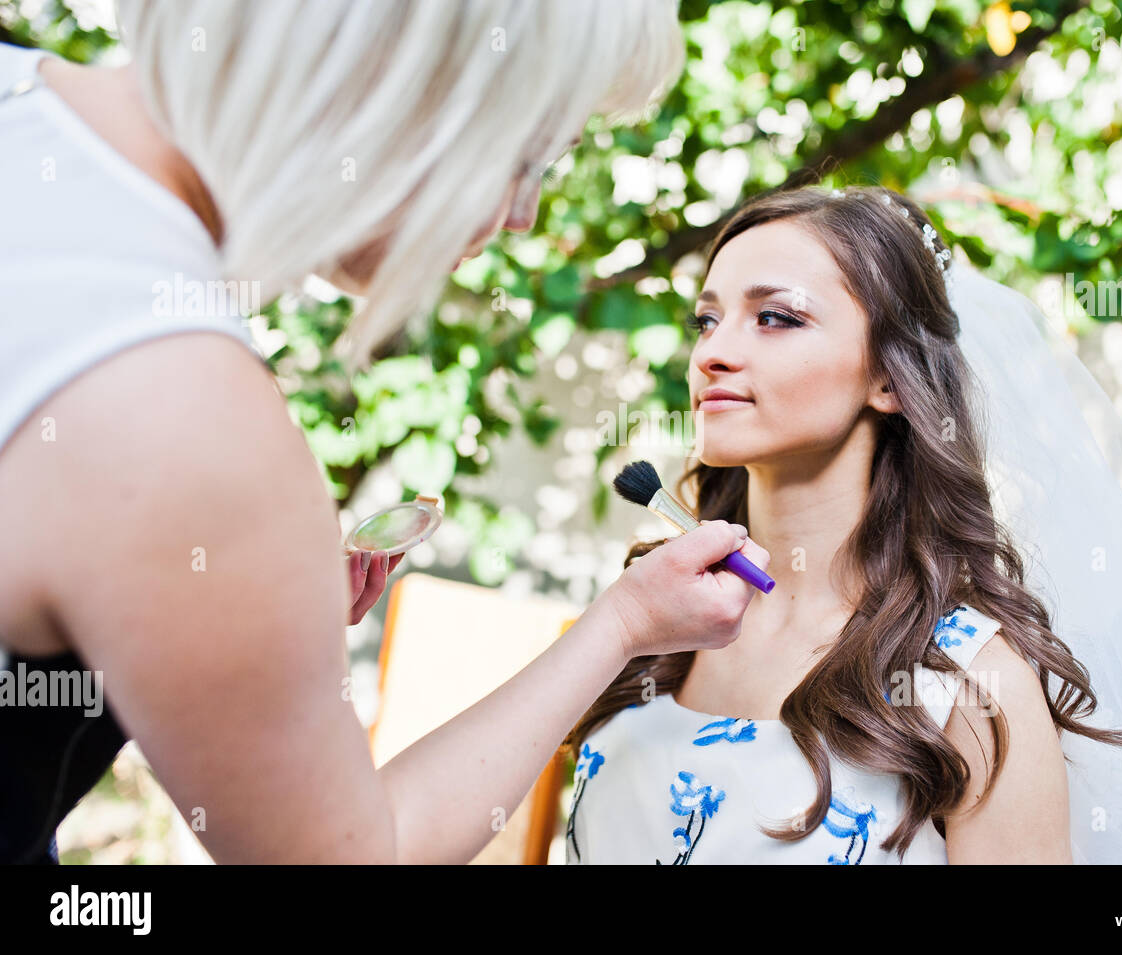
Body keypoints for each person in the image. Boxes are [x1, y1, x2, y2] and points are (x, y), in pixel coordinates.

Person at [0, 0, 778, 865]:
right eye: (527, 158)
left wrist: (239, 626)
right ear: (407, 87)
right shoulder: (189, 423)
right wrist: (624, 623)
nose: (522, 215)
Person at [563, 184, 1122, 864]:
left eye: (775, 316)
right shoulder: (655, 614)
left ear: (889, 377)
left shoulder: (970, 683)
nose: (711, 354)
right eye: (705, 321)